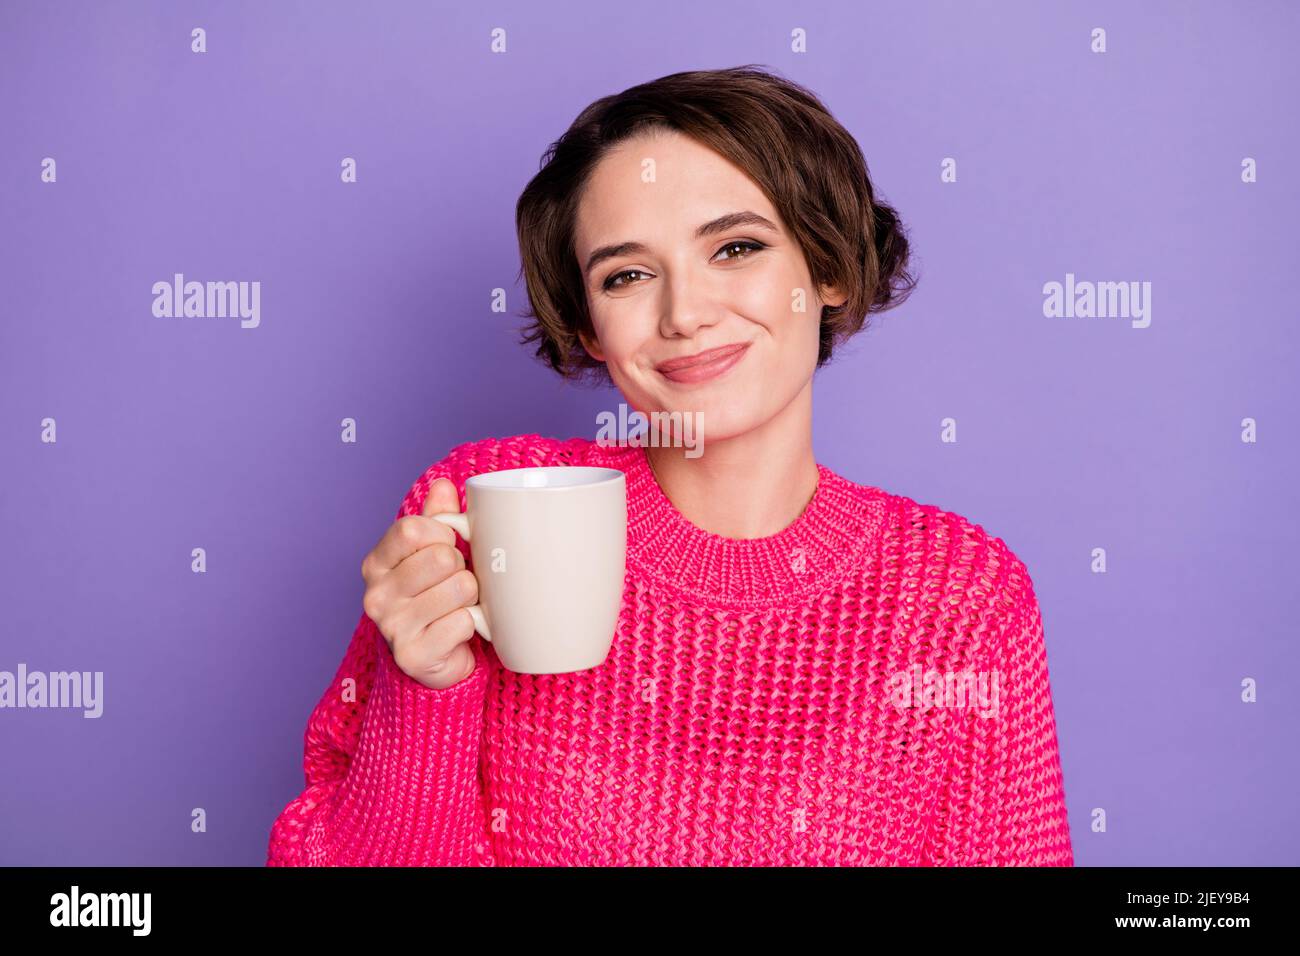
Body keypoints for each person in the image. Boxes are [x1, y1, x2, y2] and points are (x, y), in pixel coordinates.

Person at [267, 65, 1073, 866]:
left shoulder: (962, 592)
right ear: (588, 326)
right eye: (627, 275)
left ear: (826, 269)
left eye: (736, 247)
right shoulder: (485, 512)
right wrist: (428, 691)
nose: (684, 313)